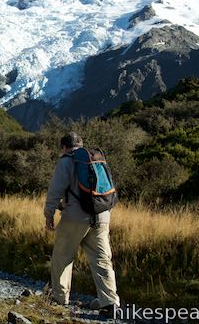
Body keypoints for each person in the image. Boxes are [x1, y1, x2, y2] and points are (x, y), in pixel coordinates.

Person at [44, 132, 120, 318]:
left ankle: (59, 298)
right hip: (102, 215)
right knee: (102, 260)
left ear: (64, 147)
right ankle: (110, 303)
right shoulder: (95, 160)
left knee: (63, 256)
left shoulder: (65, 162)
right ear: (80, 144)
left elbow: (55, 191)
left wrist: (49, 214)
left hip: (75, 218)